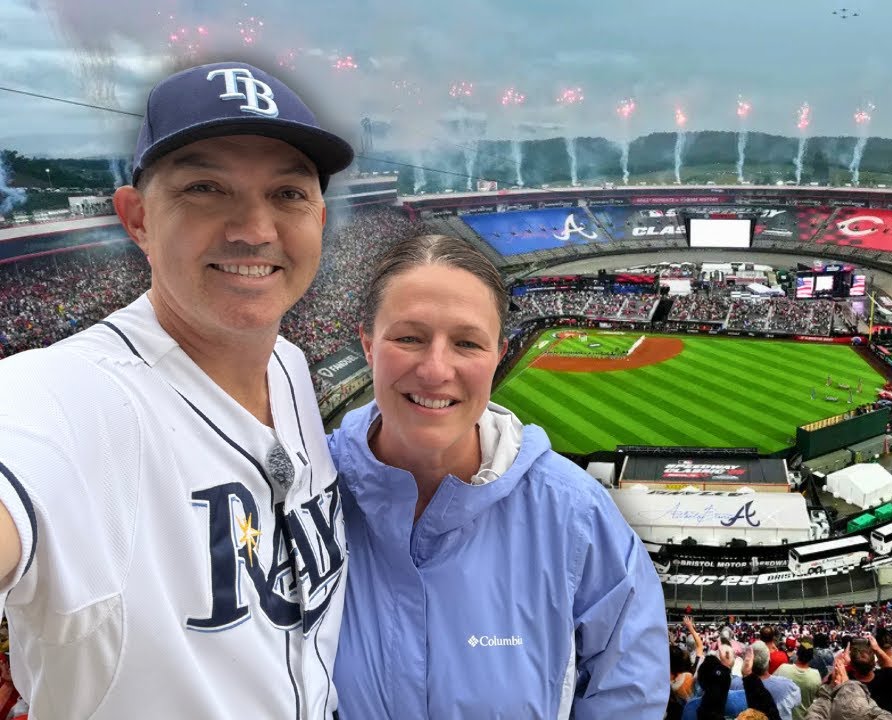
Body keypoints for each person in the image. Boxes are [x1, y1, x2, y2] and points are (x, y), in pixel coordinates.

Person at [0, 61, 353, 716]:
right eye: (205, 188)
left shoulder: (291, 366)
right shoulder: (72, 395)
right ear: (137, 218)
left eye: (288, 193)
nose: (255, 229)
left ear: (320, 217)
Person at [328, 234, 668, 718]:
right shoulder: (305, 491)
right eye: (408, 338)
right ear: (367, 344)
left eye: (467, 343)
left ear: (499, 354)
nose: (435, 369)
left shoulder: (576, 512)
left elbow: (629, 692)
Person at [775, 645, 822, 720]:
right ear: (811, 658)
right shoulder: (815, 675)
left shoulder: (783, 668)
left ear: (797, 654)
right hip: (804, 717)